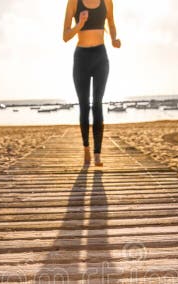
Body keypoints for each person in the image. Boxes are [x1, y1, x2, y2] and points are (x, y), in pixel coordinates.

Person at [63, 0, 121, 166]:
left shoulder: (107, 1)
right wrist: (80, 23)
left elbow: (111, 23)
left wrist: (114, 39)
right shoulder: (74, 2)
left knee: (97, 103)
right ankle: (86, 148)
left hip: (100, 57)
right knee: (84, 105)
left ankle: (97, 153)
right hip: (81, 57)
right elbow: (65, 36)